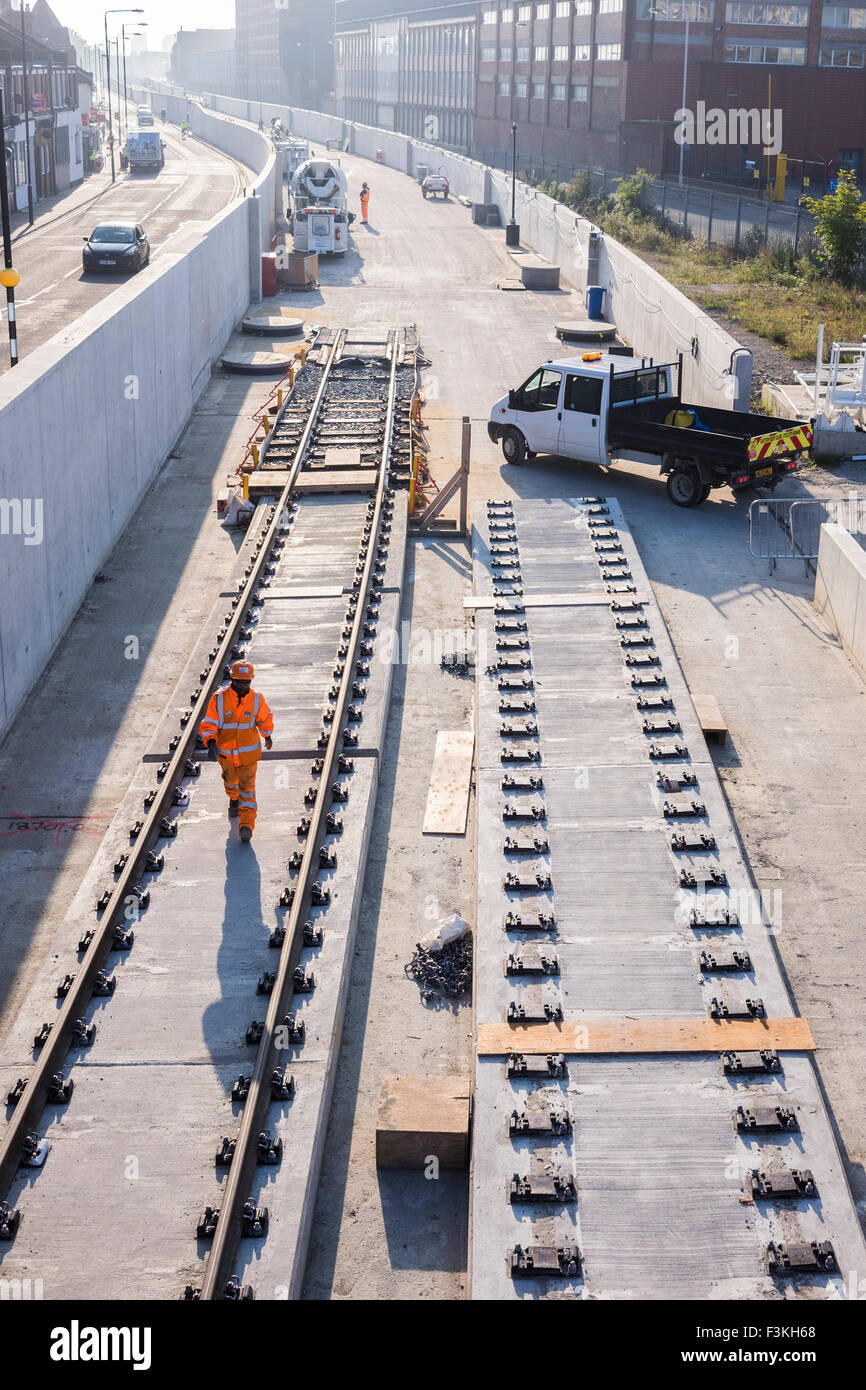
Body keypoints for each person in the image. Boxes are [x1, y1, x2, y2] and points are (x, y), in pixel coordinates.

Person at [199, 660, 274, 843]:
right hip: (226, 755)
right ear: (232, 679)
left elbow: (264, 718)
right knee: (231, 784)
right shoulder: (219, 699)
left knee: (247, 790)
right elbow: (210, 722)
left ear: (250, 681)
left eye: (246, 682)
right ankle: (233, 799)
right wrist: (210, 742)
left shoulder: (257, 699)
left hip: (248, 756)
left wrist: (267, 735)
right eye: (240, 681)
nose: (243, 685)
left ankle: (246, 825)